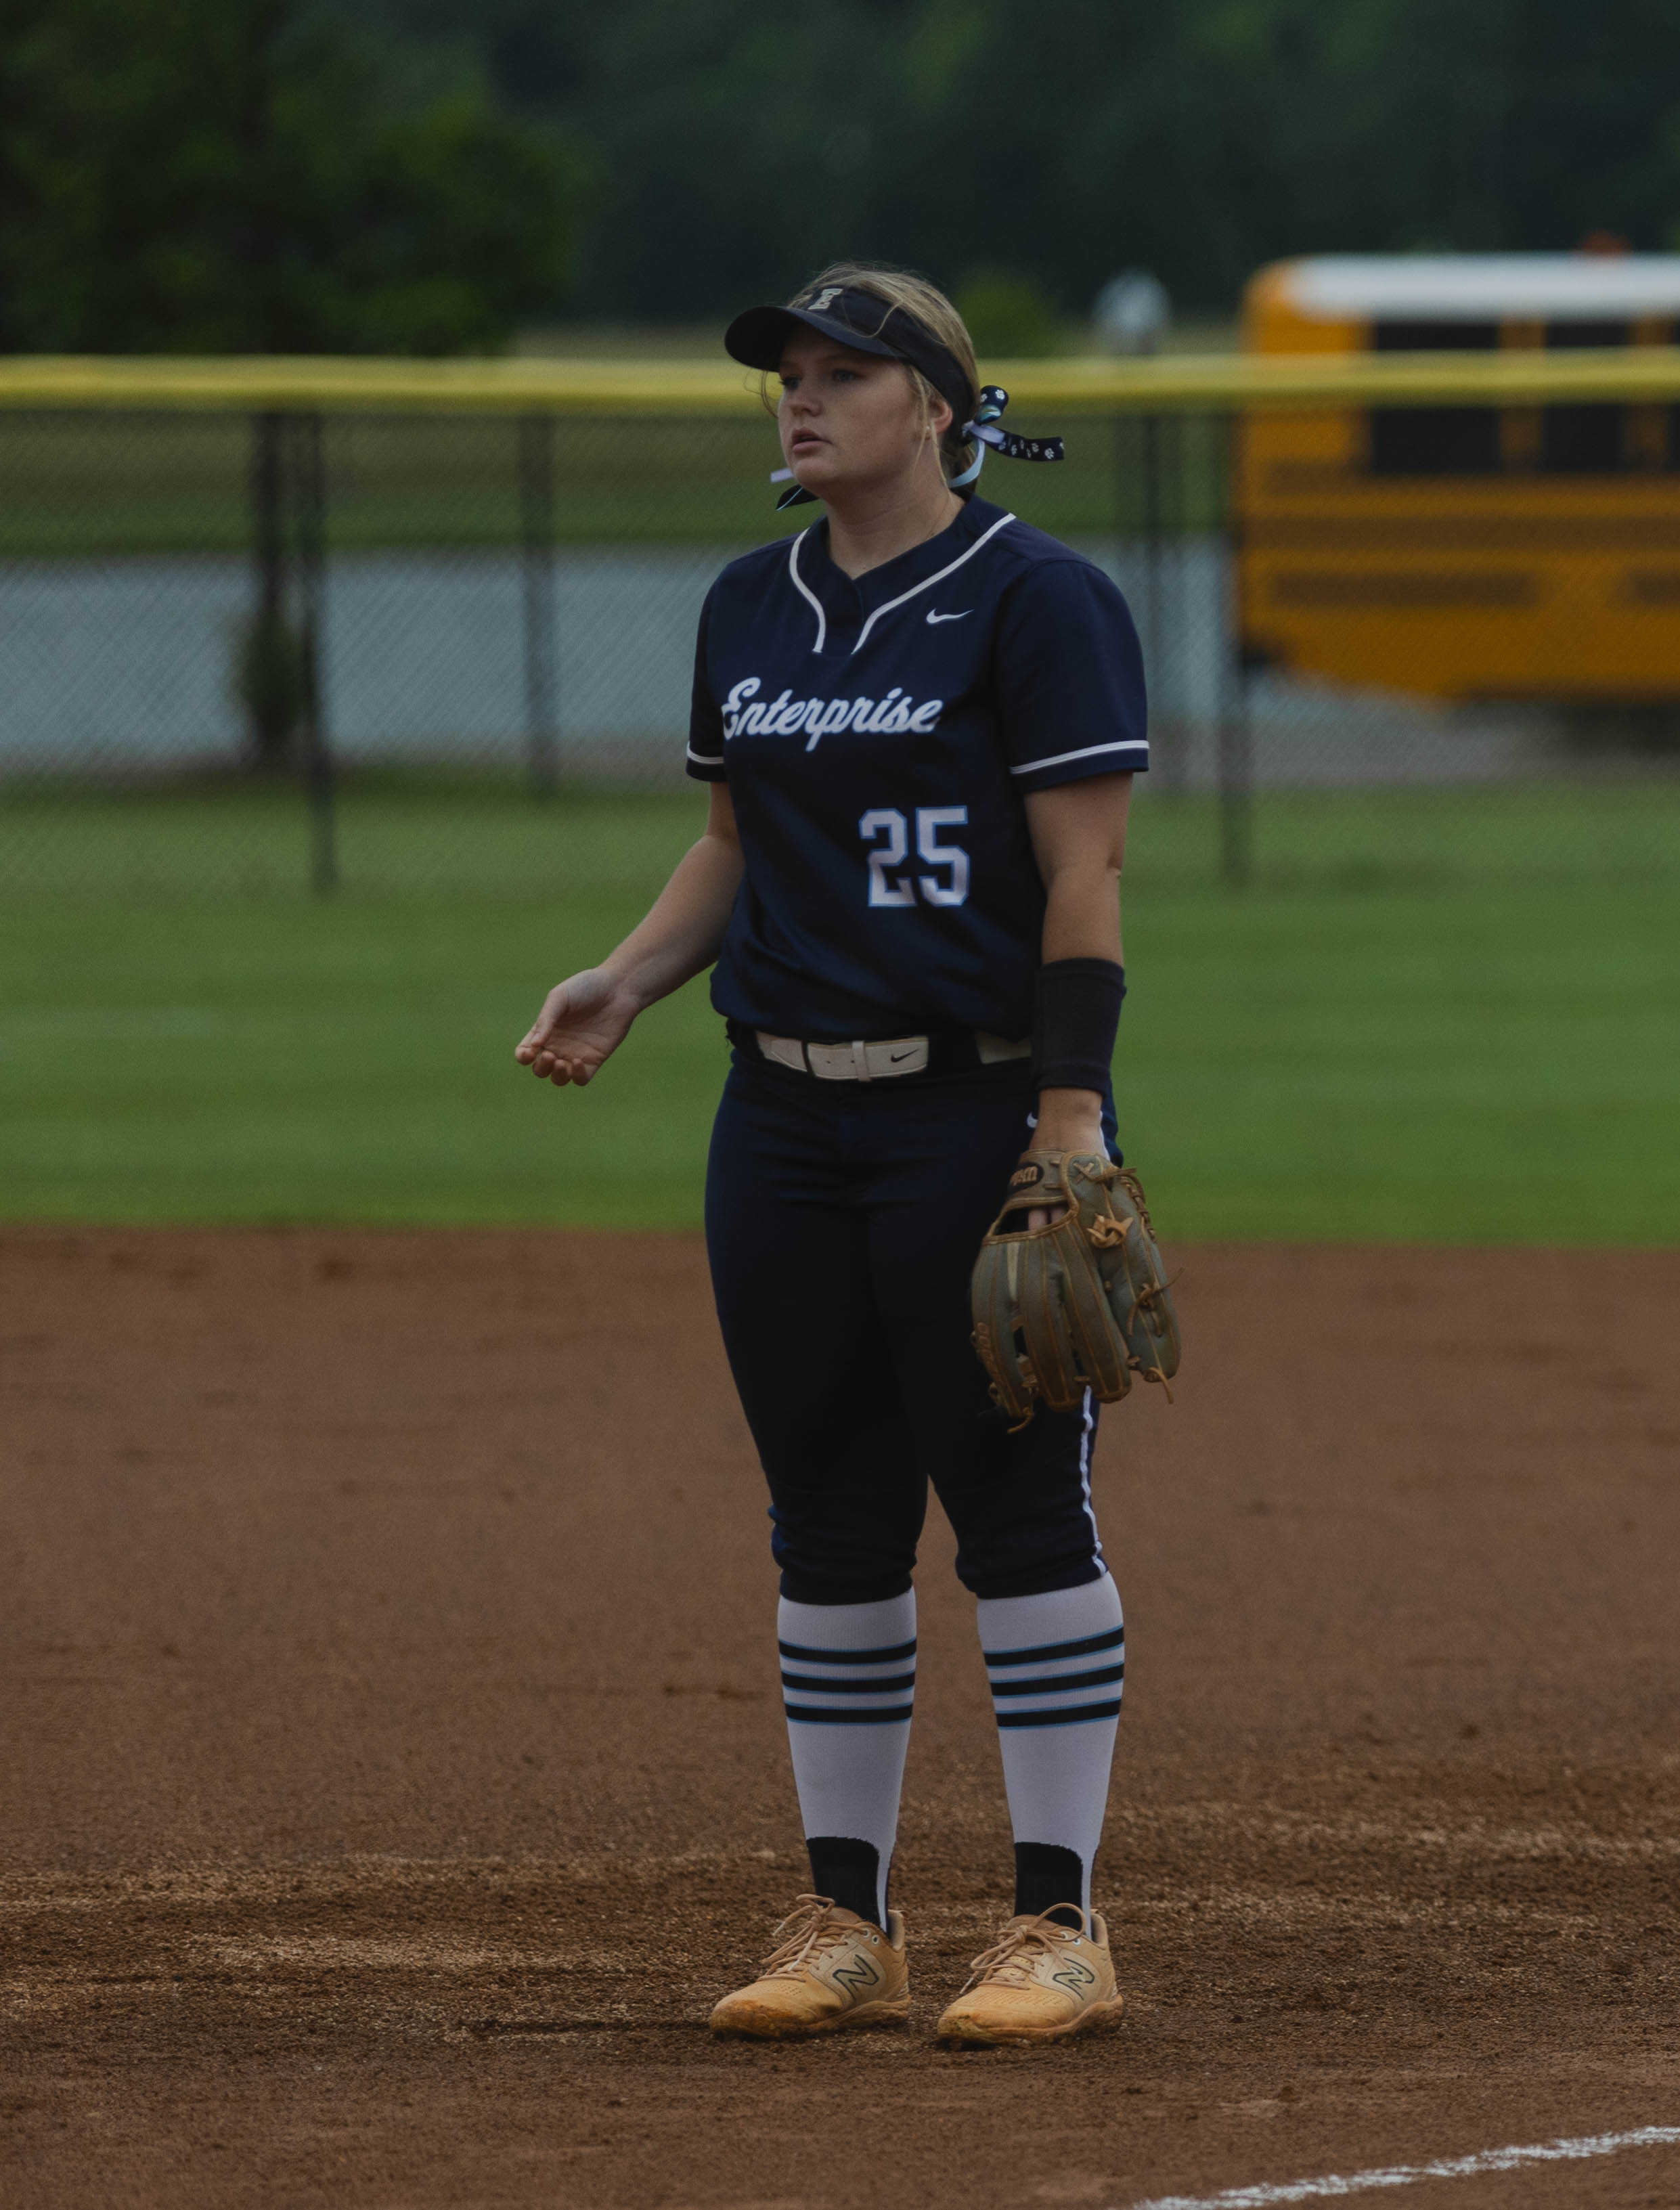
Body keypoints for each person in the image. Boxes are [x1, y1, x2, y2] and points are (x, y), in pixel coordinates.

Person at [513, 264, 1147, 2043]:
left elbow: (1085, 878)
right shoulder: (748, 604)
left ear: (937, 405)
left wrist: (1071, 1117)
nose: (799, 399)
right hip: (779, 1116)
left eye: (840, 373)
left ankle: (1058, 1925)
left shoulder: (1040, 600)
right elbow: (732, 840)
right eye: (785, 374)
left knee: (1016, 1508)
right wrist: (629, 978)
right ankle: (845, 1922)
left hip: (977, 1104)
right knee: (829, 1516)